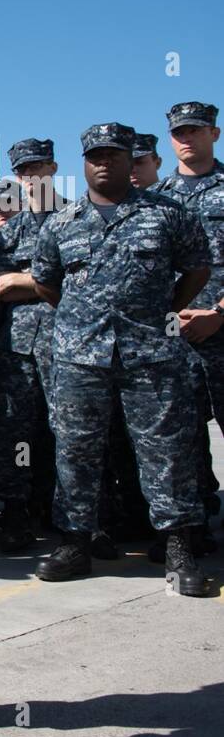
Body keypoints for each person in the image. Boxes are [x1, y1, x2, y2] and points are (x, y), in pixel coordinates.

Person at [33, 122, 210, 599]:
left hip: (150, 352)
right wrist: (82, 319)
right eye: (95, 156)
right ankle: (75, 542)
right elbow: (47, 283)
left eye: (114, 154)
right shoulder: (62, 223)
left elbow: (197, 267)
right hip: (78, 356)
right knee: (75, 451)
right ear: (84, 163)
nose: (104, 162)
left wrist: (164, 308)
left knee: (165, 452)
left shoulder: (168, 214)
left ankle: (177, 547)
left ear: (132, 160)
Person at [152, 102, 224, 560]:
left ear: (214, 134)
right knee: (182, 433)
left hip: (223, 325)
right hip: (177, 335)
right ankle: (193, 526)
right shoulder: (158, 198)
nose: (186, 138)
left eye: (195, 130)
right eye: (179, 131)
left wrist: (220, 311)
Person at [0, 138, 66, 553]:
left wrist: (26, 281)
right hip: (17, 348)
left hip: (69, 344)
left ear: (52, 168)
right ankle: (16, 512)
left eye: (37, 168)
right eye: (22, 172)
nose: (29, 177)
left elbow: (84, 283)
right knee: (16, 433)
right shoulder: (11, 231)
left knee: (70, 431)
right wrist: (47, 283)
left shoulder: (77, 218)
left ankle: (76, 518)